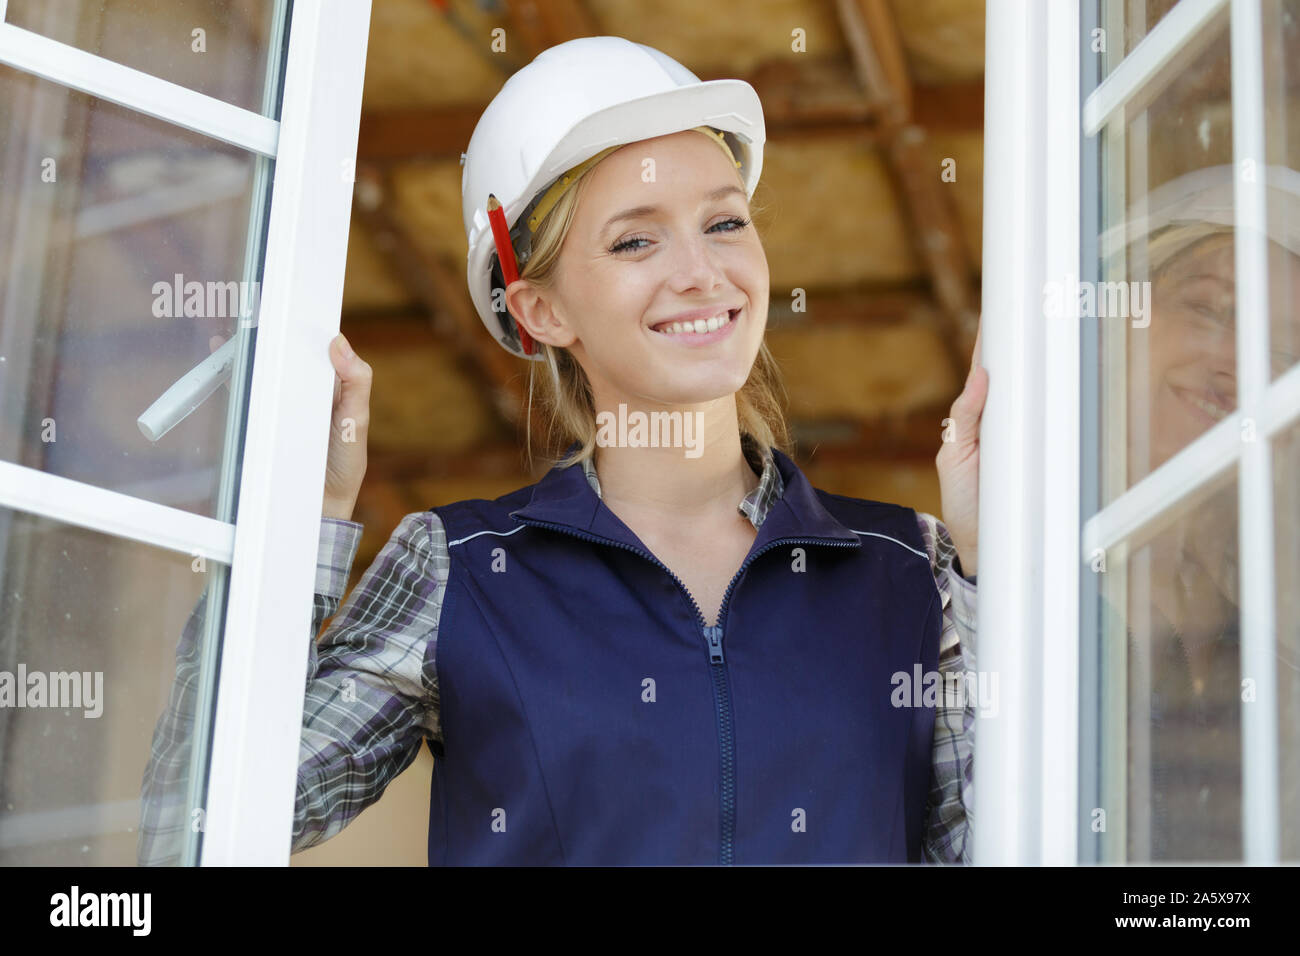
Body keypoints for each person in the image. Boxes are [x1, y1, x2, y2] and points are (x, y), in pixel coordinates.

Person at [139, 36, 987, 866]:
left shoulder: (910, 569)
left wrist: (997, 570)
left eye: (723, 222)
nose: (701, 271)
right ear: (542, 310)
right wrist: (300, 522)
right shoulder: (459, 570)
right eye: (635, 240)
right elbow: (199, 820)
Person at [1102, 164, 1300, 859]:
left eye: (1282, 354)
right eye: (1213, 309)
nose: (1239, 365)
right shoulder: (985, 591)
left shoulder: (1278, 664)